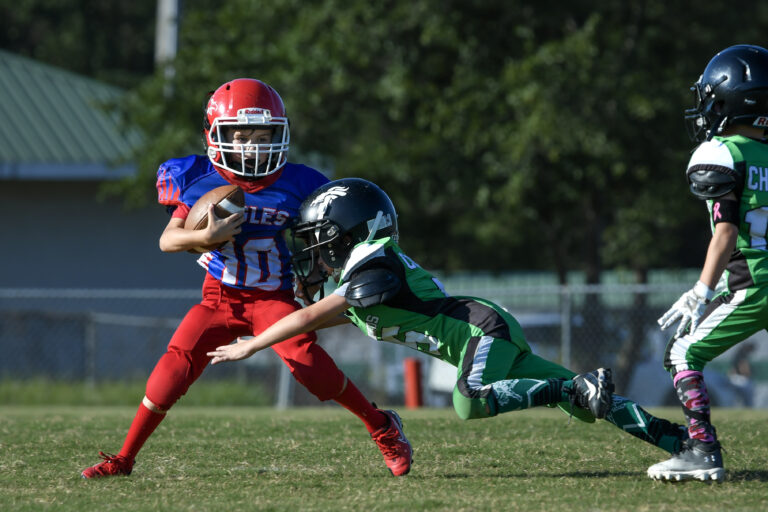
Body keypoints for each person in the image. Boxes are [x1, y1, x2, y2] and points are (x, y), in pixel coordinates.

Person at [207, 178, 689, 462]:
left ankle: (573, 388)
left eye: (318, 239)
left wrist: (254, 344)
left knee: (468, 401)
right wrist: (265, 323)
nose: (313, 253)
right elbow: (320, 320)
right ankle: (678, 440)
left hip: (480, 329)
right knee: (586, 407)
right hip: (484, 332)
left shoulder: (375, 261)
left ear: (346, 233)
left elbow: (315, 313)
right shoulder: (364, 280)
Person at [81, 79, 412, 479]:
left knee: (310, 366)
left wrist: (319, 272)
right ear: (216, 135)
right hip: (219, 297)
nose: (253, 147)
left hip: (273, 297)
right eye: (241, 137)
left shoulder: (302, 183)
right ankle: (124, 459)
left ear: (279, 135)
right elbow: (168, 240)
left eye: (262, 136)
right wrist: (204, 236)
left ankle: (382, 426)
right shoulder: (197, 178)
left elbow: (328, 238)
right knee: (171, 371)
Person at [651, 44, 768, 482]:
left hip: (753, 283)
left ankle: (702, 450)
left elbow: (726, 232)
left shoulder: (722, 152)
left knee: (682, 351)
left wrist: (700, 291)